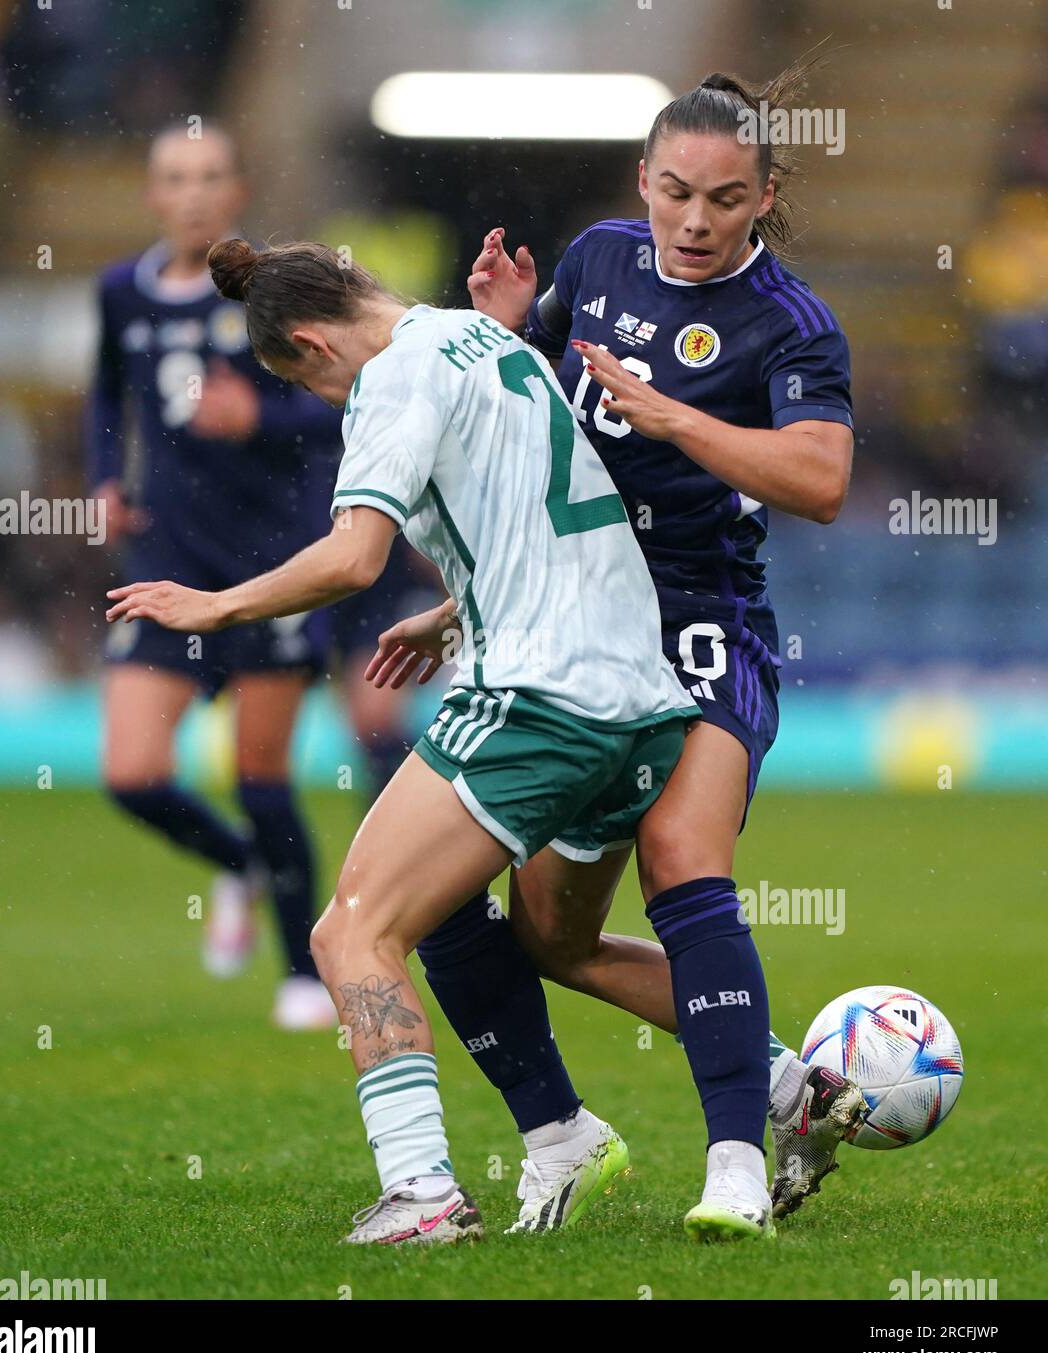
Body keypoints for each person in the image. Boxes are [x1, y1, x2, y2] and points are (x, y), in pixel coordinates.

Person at [106, 236, 705, 1244]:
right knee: (534, 935)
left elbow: (353, 556)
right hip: (636, 694)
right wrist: (451, 611)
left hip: (537, 695)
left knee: (350, 931)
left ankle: (422, 1193)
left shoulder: (391, 378)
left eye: (312, 379)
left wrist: (216, 604)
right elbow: (527, 509)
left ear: (307, 341)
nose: (333, 400)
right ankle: (779, 1082)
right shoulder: (481, 334)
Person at [379, 61, 868, 1230]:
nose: (695, 221)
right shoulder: (597, 260)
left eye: (726, 198)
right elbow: (538, 434)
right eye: (674, 191)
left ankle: (736, 1173)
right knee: (538, 929)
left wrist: (678, 418)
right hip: (569, 622)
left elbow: (824, 479)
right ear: (642, 180)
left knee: (682, 857)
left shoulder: (791, 323)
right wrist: (503, 336)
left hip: (701, 628)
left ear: (764, 195)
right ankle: (789, 1087)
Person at [88, 124, 340, 1030]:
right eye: (174, 178)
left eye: (209, 177)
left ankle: (303, 971)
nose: (192, 194)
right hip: (168, 559)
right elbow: (104, 393)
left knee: (261, 774)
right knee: (132, 772)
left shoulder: (273, 295)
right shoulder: (121, 291)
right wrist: (105, 480)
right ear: (153, 194)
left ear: (237, 192)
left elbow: (338, 405)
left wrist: (259, 418)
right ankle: (240, 863)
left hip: (271, 560)